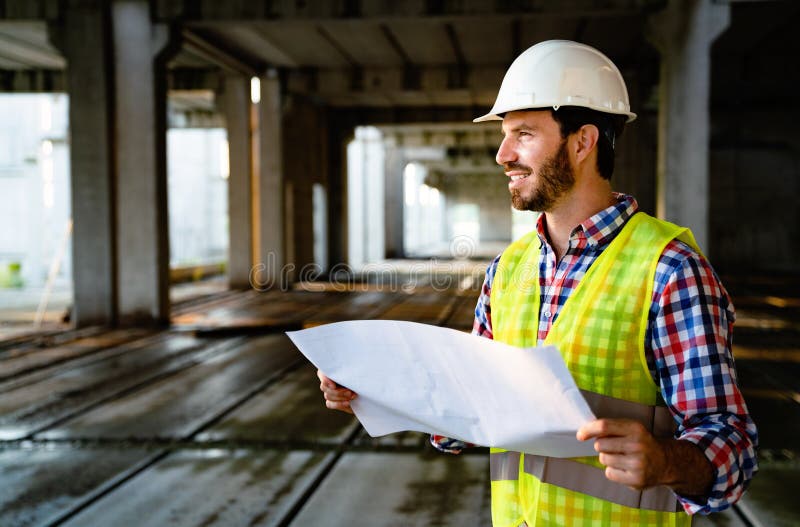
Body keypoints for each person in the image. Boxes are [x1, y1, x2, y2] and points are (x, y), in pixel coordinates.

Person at [318, 40, 757, 526]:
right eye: (505, 135)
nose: (503, 154)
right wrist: (370, 387)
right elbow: (465, 408)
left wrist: (665, 461)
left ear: (582, 141)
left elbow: (732, 447)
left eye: (523, 134)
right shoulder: (508, 269)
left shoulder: (670, 270)